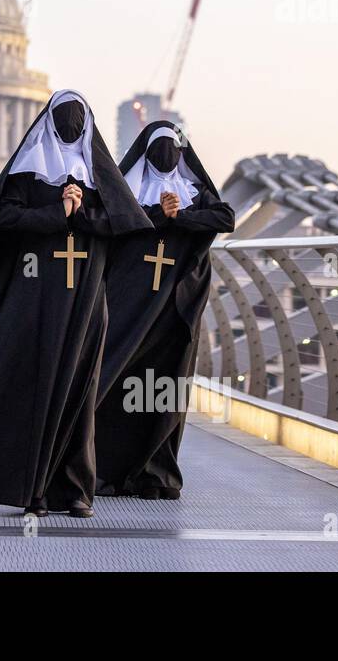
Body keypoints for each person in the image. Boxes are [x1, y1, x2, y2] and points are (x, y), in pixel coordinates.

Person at [0, 90, 151, 518]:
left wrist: (81, 215)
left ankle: (75, 489)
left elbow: (124, 224)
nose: (70, 127)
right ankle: (31, 489)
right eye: (63, 118)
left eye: (77, 119)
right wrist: (56, 216)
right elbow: (3, 219)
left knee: (80, 392)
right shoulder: (28, 170)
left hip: (85, 300)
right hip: (34, 297)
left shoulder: (98, 174)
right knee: (32, 385)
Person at [94, 122, 234, 499]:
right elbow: (110, 225)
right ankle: (106, 469)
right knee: (118, 379)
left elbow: (226, 218)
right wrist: (157, 214)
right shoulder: (126, 192)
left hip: (176, 309)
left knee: (165, 390)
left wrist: (180, 217)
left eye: (173, 150)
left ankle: (156, 474)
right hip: (130, 305)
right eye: (158, 151)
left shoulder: (194, 191)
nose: (166, 159)